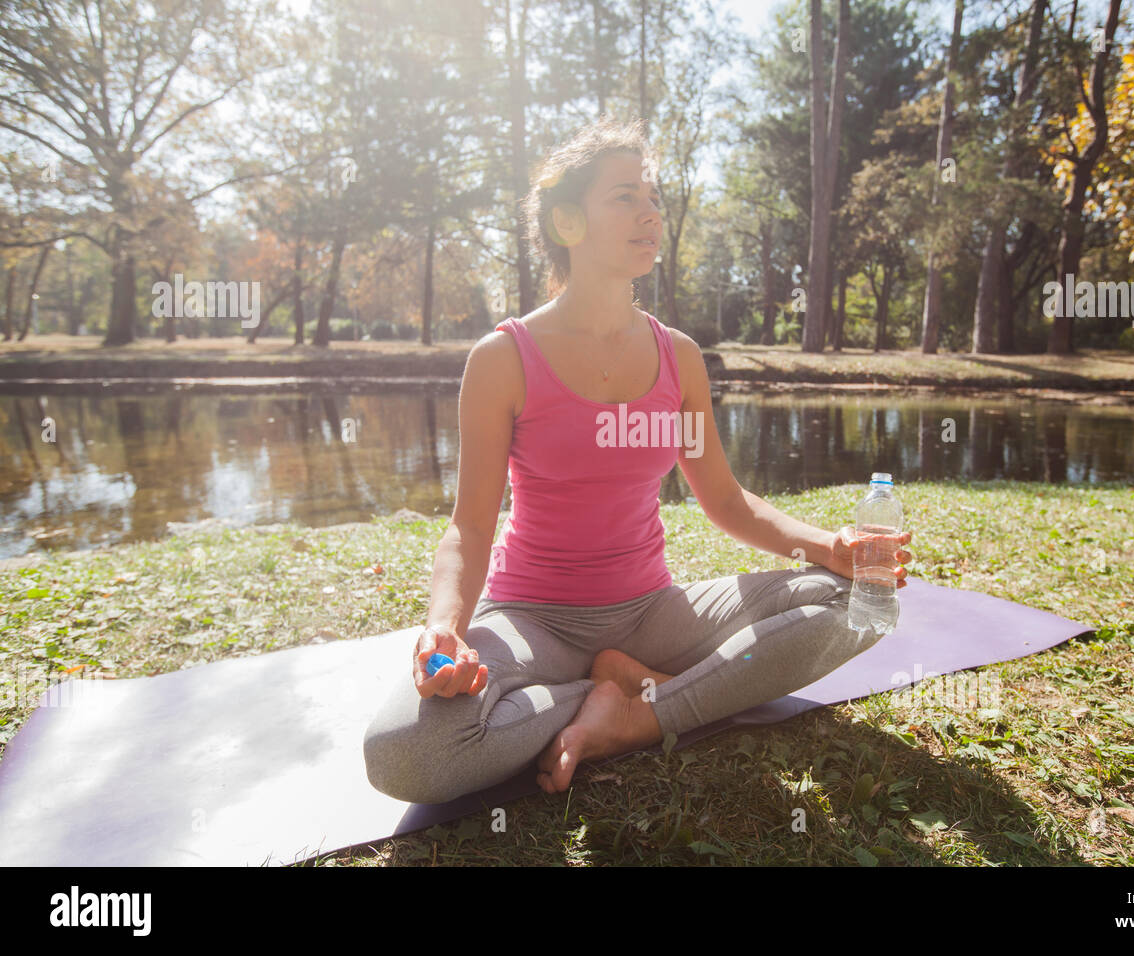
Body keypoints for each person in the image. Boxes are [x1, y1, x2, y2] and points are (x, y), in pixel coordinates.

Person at [363, 118, 912, 805]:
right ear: (568, 221)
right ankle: (605, 691)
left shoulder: (678, 356)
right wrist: (445, 622)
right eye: (625, 196)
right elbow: (471, 527)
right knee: (401, 756)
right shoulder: (502, 359)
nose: (651, 211)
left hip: (653, 613)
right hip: (534, 620)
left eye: (652, 196)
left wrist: (832, 547)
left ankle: (640, 713)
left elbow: (725, 499)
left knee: (865, 599)